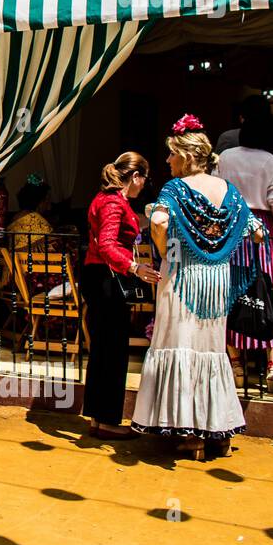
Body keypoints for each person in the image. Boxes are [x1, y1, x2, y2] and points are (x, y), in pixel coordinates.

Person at [132, 115, 264, 461]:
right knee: (210, 350)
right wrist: (220, 244)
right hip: (216, 279)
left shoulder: (175, 190)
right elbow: (256, 230)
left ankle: (188, 432)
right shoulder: (227, 190)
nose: (166, 161)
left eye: (171, 154)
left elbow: (158, 220)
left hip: (182, 276)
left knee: (179, 344)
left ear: (187, 157)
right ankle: (216, 430)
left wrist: (163, 249)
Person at [81, 152, 159, 439]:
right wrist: (134, 267)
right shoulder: (114, 202)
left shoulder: (106, 199)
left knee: (103, 349)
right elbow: (107, 245)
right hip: (107, 278)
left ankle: (98, 419)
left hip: (98, 276)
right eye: (144, 179)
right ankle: (108, 421)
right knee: (113, 350)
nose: (144, 185)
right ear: (135, 177)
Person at [217, 111, 273, 390]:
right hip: (262, 231)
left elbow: (215, 191)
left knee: (230, 294)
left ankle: (235, 364)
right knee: (267, 294)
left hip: (230, 228)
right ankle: (272, 366)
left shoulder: (225, 158)